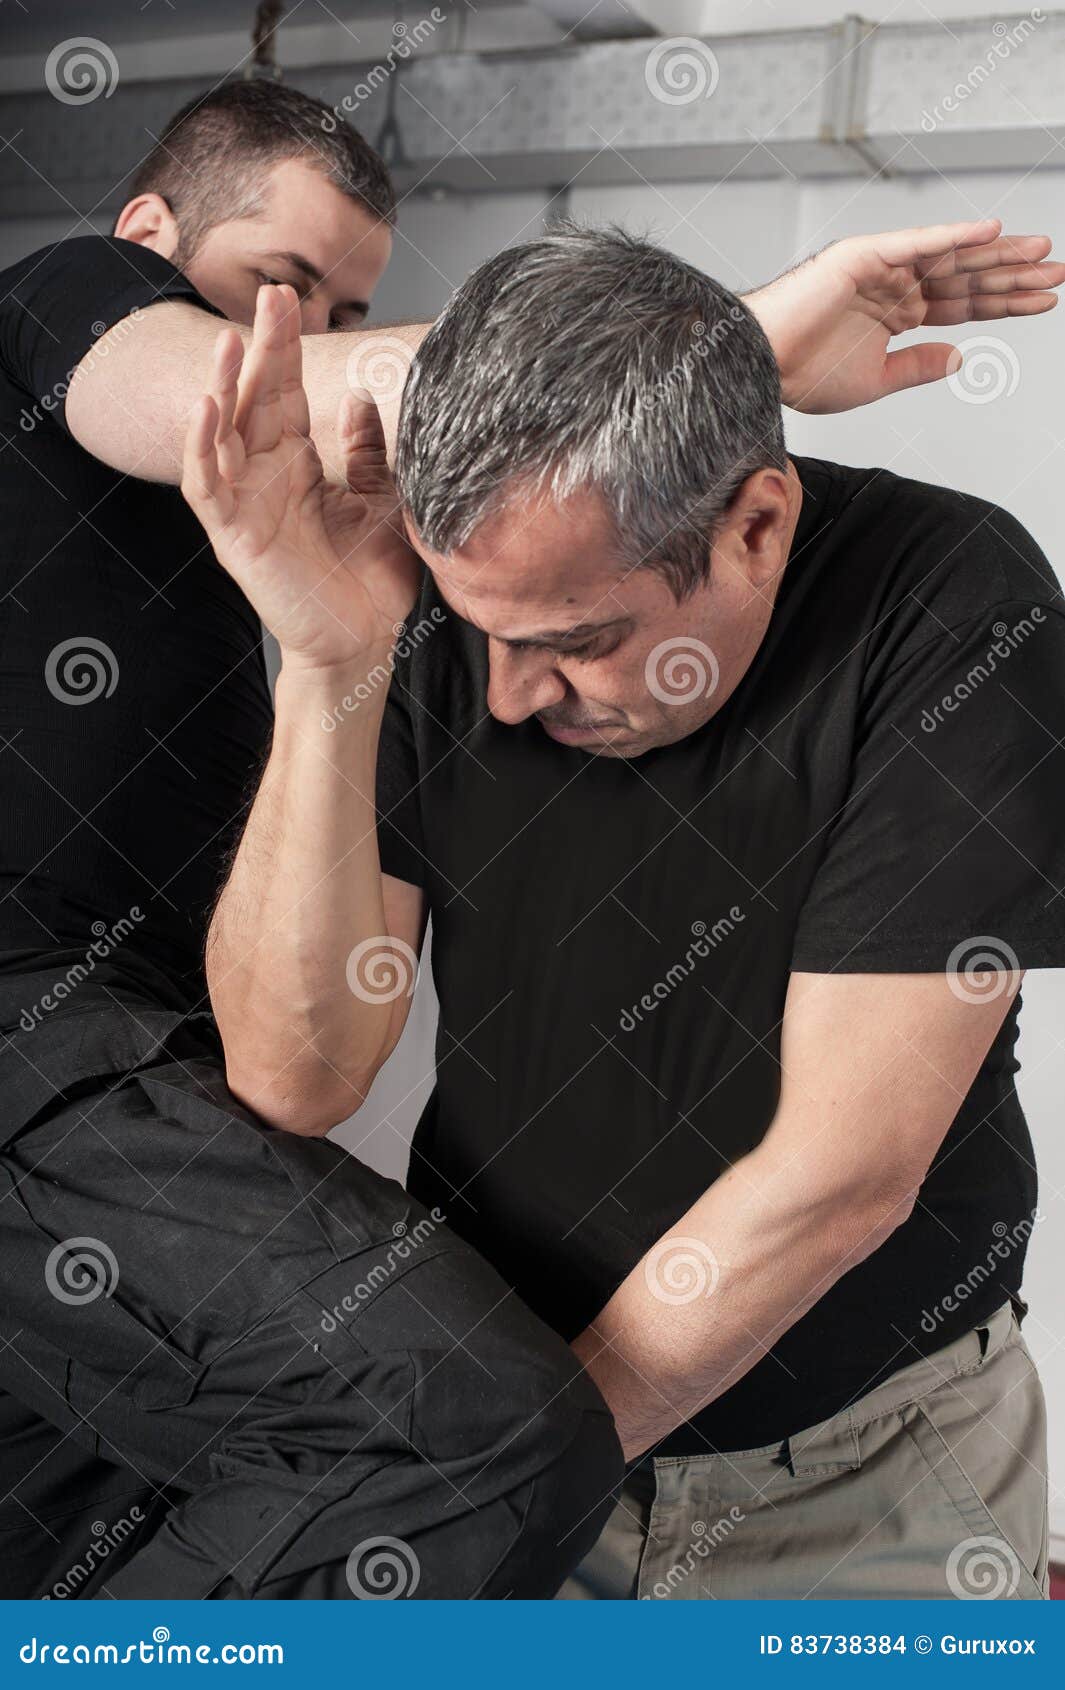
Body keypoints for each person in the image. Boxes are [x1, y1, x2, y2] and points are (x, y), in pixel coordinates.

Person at [0, 75, 1058, 1591]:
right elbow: (295, 1075)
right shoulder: (439, 613)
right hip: (515, 1460)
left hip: (853, 1488)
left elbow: (843, 1174)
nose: (503, 690)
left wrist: (513, 1463)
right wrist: (327, 667)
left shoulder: (950, 602)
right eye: (474, 629)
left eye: (577, 637)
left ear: (754, 524)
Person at [0, 79, 622, 1601]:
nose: (322, 331)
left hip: (129, 1066)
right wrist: (682, 357)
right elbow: (249, 392)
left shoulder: (243, 559)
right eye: (282, 284)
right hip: (33, 1040)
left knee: (126, 1534)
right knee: (484, 1436)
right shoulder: (73, 294)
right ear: (153, 234)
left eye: (348, 304)